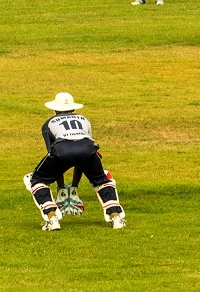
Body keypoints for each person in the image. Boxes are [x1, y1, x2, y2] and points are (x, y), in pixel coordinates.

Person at [24, 92, 125, 231]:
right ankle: (116, 218)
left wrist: (61, 189)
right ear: (73, 108)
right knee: (102, 181)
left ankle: (52, 219)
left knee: (35, 180)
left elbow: (54, 155)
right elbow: (81, 159)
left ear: (55, 109)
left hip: (62, 149)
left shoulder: (48, 124)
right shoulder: (84, 120)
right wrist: (74, 188)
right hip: (88, 149)